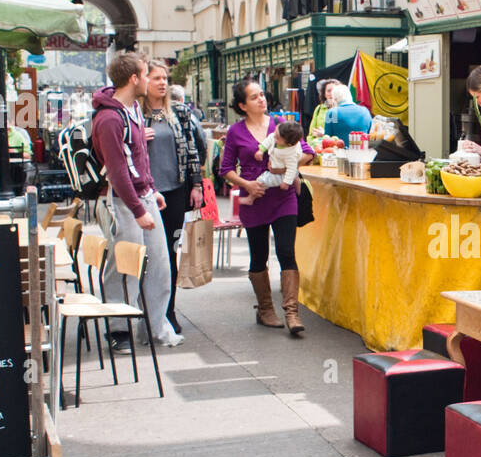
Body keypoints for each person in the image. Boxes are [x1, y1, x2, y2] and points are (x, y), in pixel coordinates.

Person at [90, 51, 181, 351]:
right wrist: (139, 208)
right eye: (145, 74)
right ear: (134, 78)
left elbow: (138, 159)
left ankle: (156, 327)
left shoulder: (132, 111)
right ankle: (119, 330)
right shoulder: (108, 119)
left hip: (141, 195)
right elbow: (117, 172)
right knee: (124, 265)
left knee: (159, 265)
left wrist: (151, 188)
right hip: (122, 200)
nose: (149, 79)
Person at [220, 78, 314, 335]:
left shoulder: (280, 124)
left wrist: (285, 168)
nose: (261, 99)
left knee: (286, 251)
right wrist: (247, 185)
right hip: (255, 199)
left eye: (261, 94)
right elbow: (225, 169)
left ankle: (292, 313)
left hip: (284, 197)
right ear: (242, 105)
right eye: (254, 97)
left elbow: (307, 152)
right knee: (258, 255)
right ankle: (265, 309)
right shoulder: (235, 132)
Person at [142, 62, 205, 336]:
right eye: (156, 78)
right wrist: (135, 136)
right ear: (143, 81)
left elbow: (193, 150)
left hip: (176, 190)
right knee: (146, 255)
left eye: (164, 78)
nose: (162, 82)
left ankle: (168, 311)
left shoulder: (178, 112)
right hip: (145, 193)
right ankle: (146, 312)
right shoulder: (134, 114)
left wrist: (196, 185)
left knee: (170, 251)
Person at [245, 118, 304, 195]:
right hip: (279, 167)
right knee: (295, 176)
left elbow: (291, 169)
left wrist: (286, 182)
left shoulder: (290, 154)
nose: (274, 137)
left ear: (288, 144)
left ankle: (250, 198)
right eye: (275, 133)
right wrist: (261, 151)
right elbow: (268, 140)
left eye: (278, 138)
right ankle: (296, 184)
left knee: (261, 182)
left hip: (281, 173)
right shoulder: (276, 136)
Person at [323, 82, 372, 146]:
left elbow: (327, 138)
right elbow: (369, 132)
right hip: (362, 153)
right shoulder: (365, 111)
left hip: (340, 153)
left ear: (335, 99)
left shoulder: (332, 113)